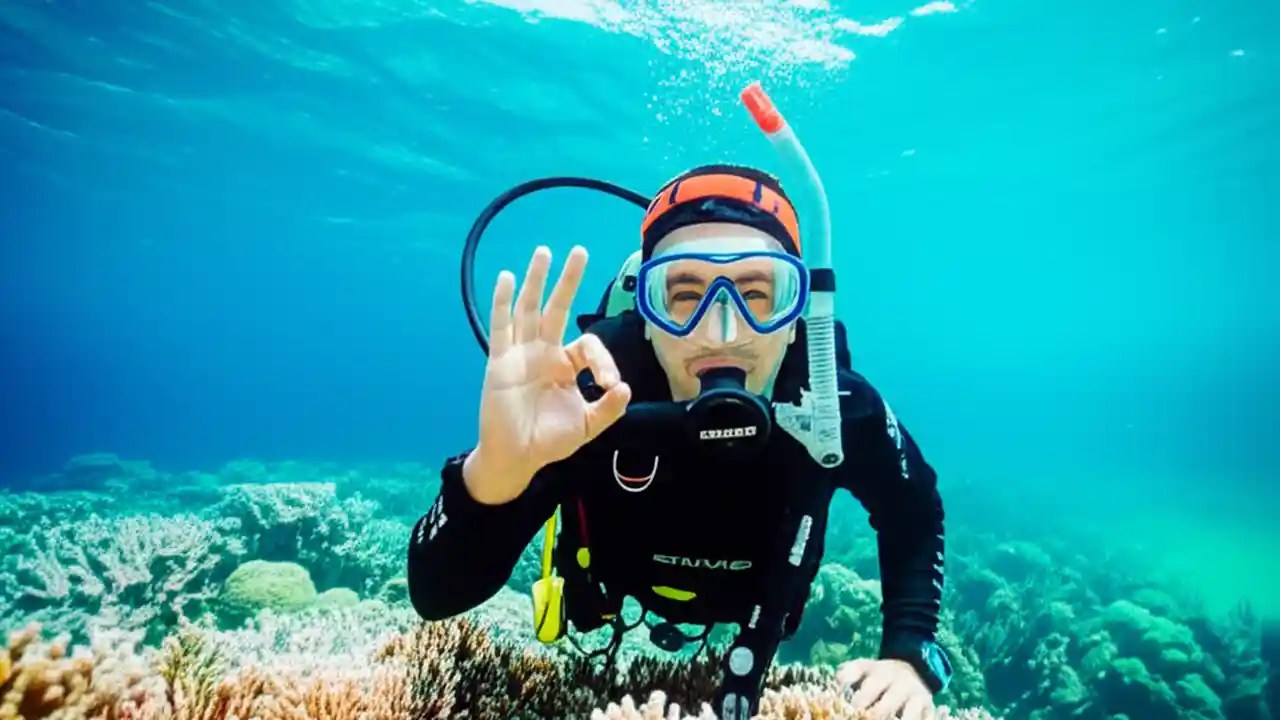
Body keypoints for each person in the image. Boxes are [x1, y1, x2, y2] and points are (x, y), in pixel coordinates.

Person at [408, 85, 952, 720]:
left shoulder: (832, 404)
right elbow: (435, 595)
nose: (723, 331)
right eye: (684, 294)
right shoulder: (589, 399)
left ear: (798, 310)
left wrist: (911, 651)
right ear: (645, 310)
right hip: (613, 597)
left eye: (759, 291)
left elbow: (915, 511)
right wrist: (492, 476)